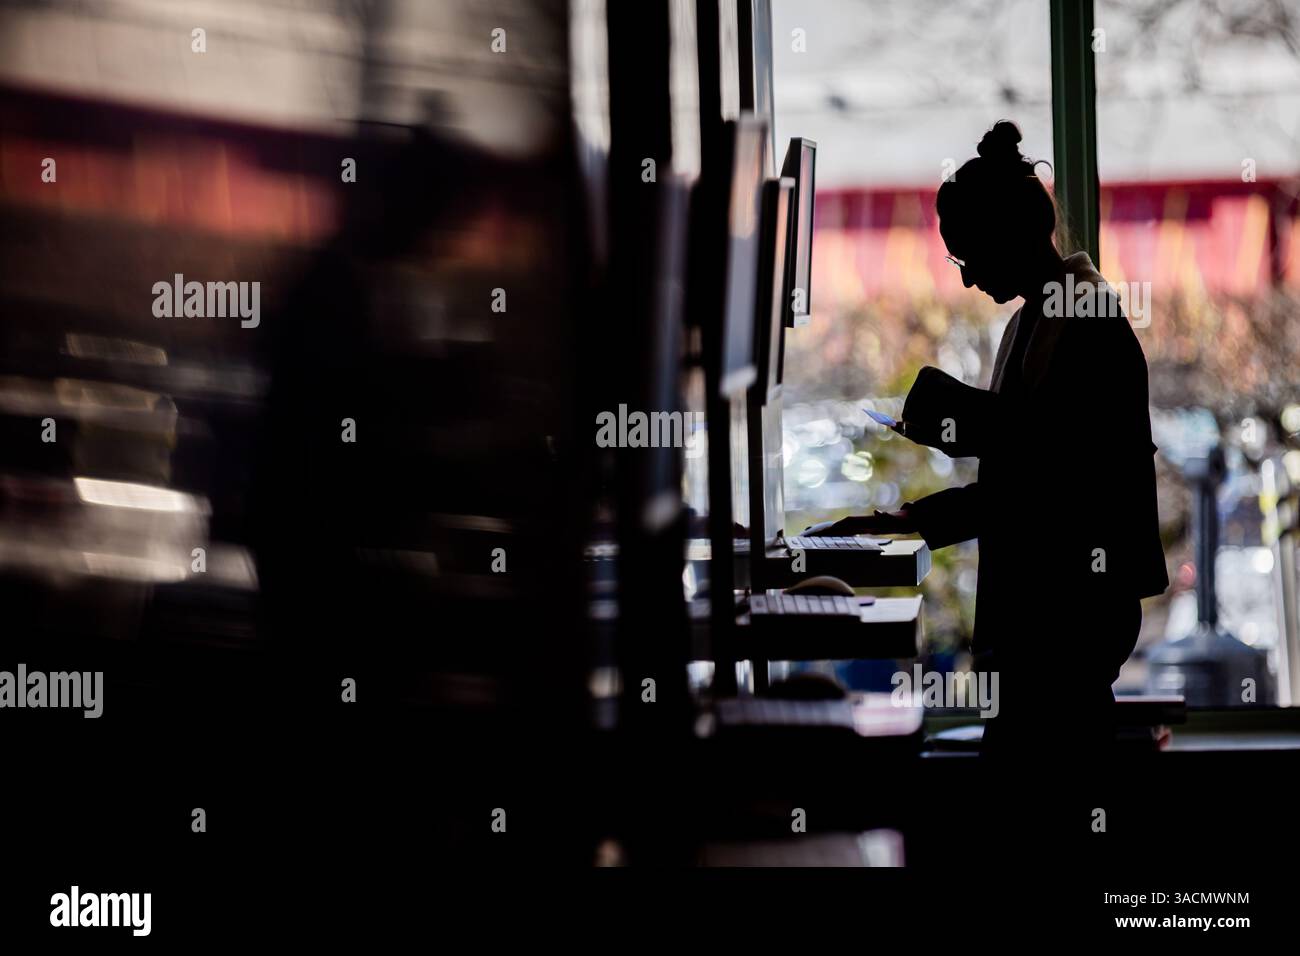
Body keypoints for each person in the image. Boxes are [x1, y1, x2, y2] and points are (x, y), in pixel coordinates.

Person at [808, 120, 1168, 755]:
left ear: (1012, 234)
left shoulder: (1081, 321)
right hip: (1055, 610)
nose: (969, 277)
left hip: (1065, 616)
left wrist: (959, 434)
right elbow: (1032, 472)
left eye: (968, 254)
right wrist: (906, 517)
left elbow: (1057, 477)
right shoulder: (1042, 316)